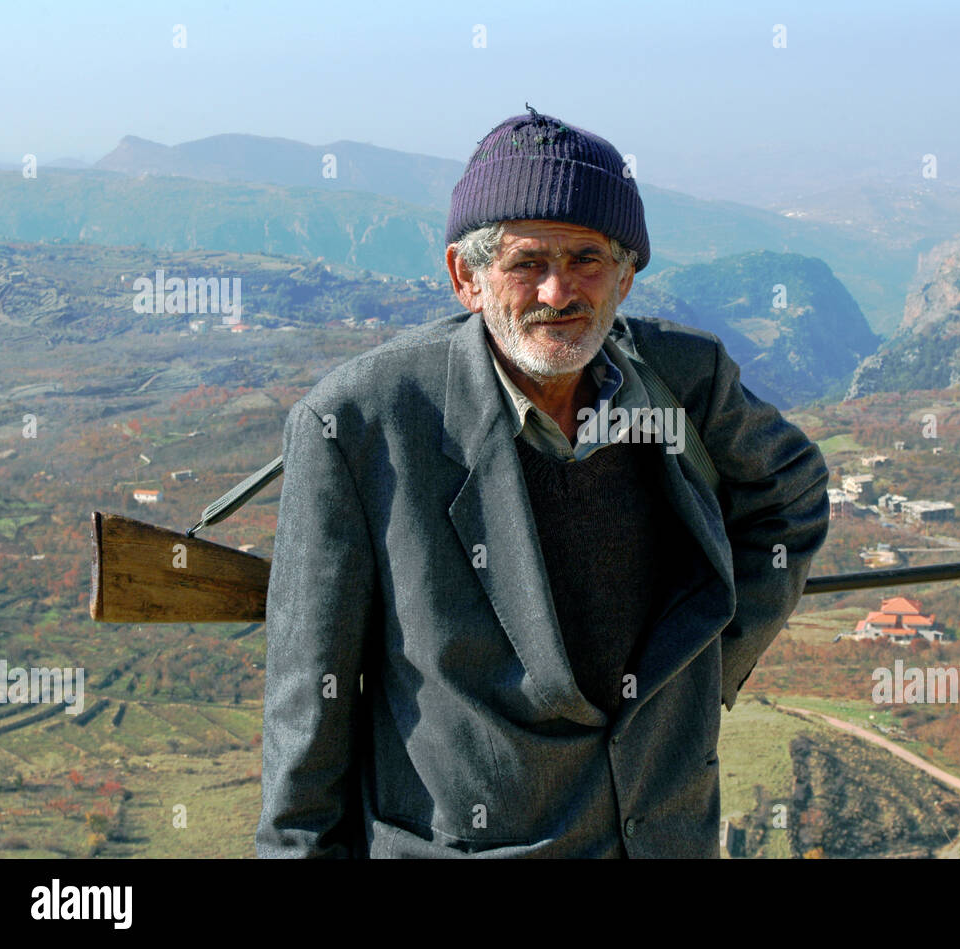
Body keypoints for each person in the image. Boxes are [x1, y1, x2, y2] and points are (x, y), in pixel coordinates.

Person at [256, 107, 829, 858]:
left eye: (587, 258)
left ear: (625, 276)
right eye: (526, 262)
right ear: (468, 277)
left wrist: (698, 676)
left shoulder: (684, 380)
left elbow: (792, 492)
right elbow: (308, 710)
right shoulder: (362, 424)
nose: (559, 291)